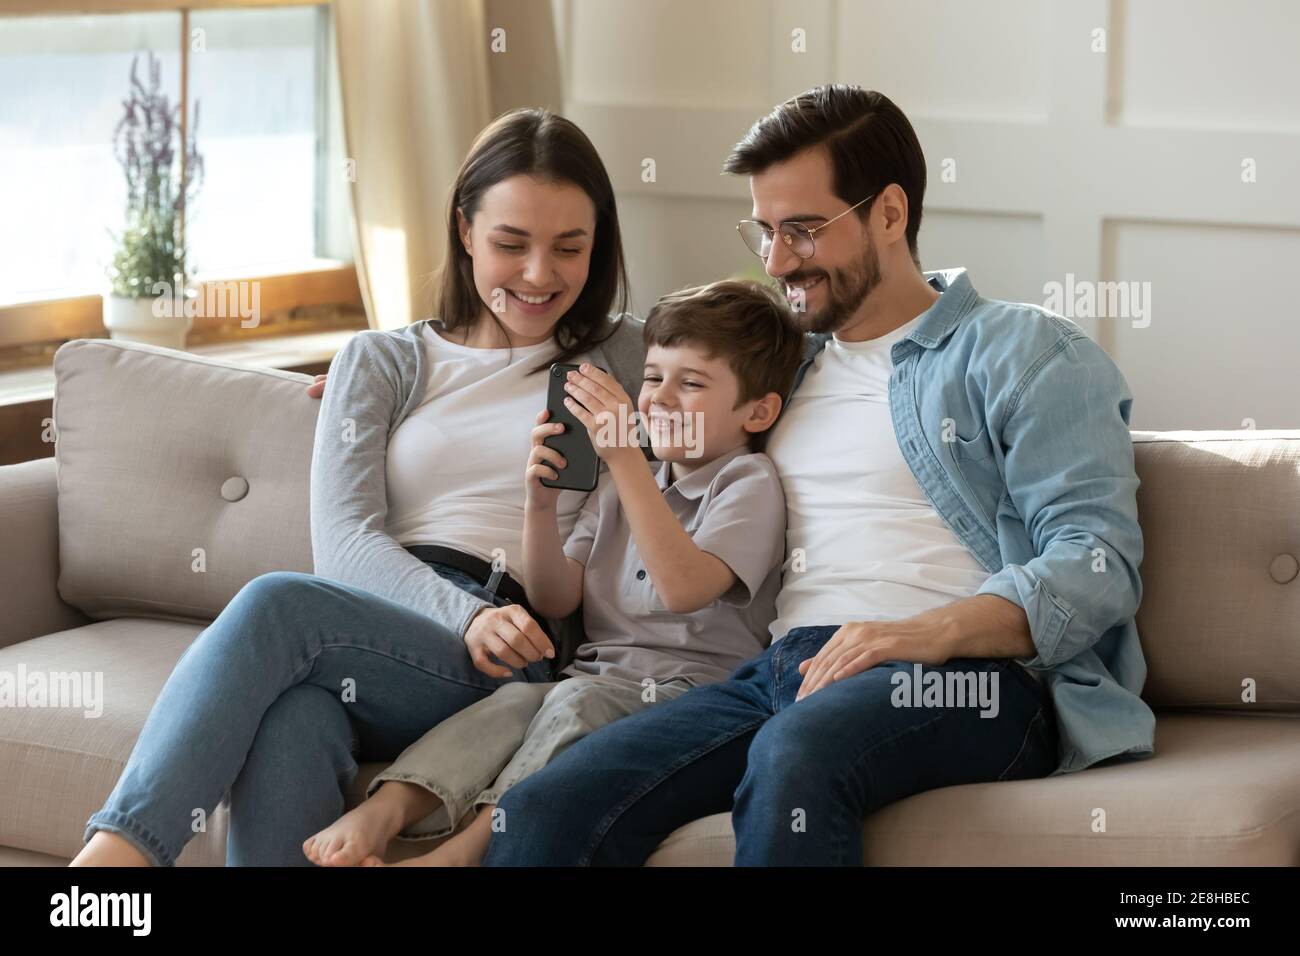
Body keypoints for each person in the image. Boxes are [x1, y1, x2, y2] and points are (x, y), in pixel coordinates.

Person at [478, 85, 1153, 866]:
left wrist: (922, 632)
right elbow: (643, 358)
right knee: (545, 808)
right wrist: (407, 366)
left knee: (794, 755)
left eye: (801, 230)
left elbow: (1095, 561)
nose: (775, 261)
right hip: (784, 669)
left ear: (890, 214)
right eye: (763, 231)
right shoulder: (781, 369)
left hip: (970, 678)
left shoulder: (1023, 352)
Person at [71, 107, 648, 867]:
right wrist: (456, 613)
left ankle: (112, 869)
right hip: (379, 628)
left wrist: (478, 621)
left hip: (509, 651)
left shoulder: (628, 353)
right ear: (465, 229)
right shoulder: (382, 360)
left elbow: (772, 353)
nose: (540, 275)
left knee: (278, 602)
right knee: (297, 719)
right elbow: (343, 543)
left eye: (569, 248)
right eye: (511, 243)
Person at [302, 279, 803, 866]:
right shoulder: (620, 485)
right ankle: (386, 810)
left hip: (688, 695)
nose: (661, 398)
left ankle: (464, 852)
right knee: (509, 704)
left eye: (691, 384)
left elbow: (685, 587)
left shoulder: (747, 482)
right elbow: (555, 596)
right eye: (652, 377)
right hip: (587, 678)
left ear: (760, 409)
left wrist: (623, 459)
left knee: (574, 706)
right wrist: (539, 506)